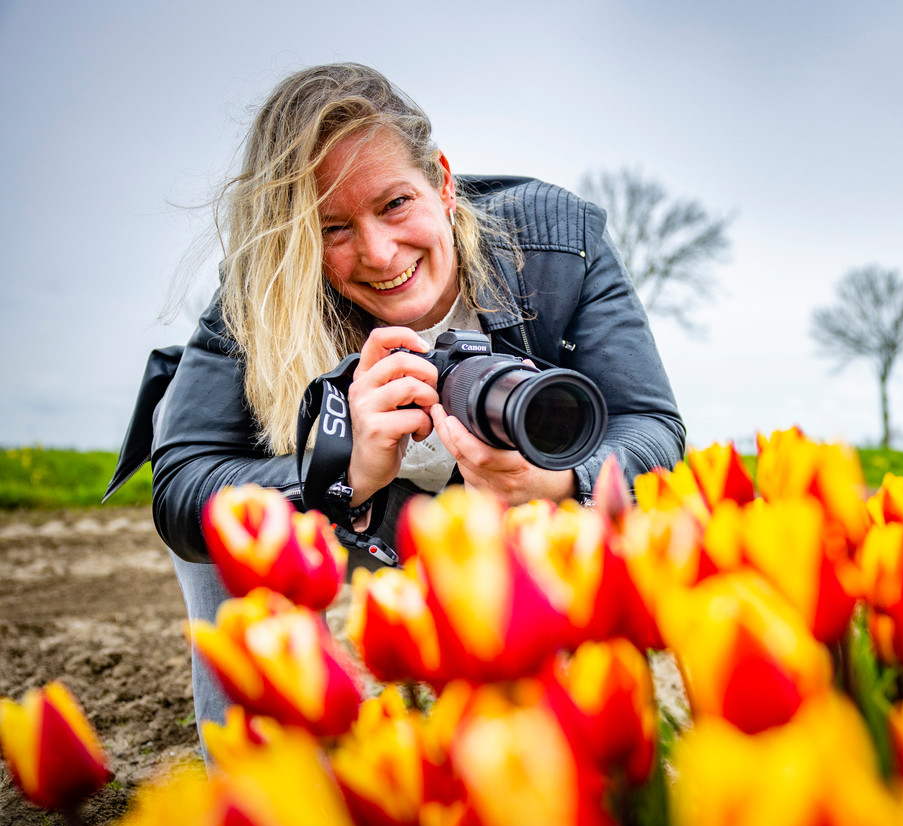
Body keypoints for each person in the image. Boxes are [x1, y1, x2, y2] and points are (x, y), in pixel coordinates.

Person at [106, 63, 685, 754]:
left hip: (507, 514)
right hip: (356, 517)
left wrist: (558, 480)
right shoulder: (265, 284)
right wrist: (340, 471)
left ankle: (553, 759)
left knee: (588, 516)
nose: (380, 254)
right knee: (207, 474)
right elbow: (181, 488)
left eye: (395, 205)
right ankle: (265, 784)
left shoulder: (558, 245)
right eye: (333, 227)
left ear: (442, 181)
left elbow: (652, 426)